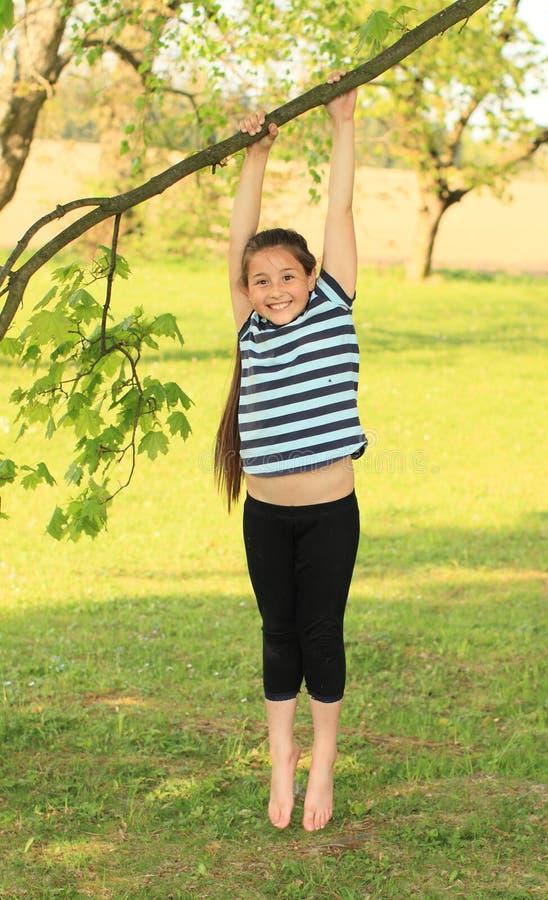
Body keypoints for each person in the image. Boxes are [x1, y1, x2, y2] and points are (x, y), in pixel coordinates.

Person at [214, 71, 366, 832]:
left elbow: (338, 207)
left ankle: (324, 766)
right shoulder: (249, 329)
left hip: (330, 513)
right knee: (278, 635)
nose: (274, 289)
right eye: (260, 280)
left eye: (286, 277)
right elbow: (238, 241)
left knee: (320, 635)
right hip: (266, 517)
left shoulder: (333, 303)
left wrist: (342, 122)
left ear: (312, 277)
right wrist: (254, 156)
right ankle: (280, 760)